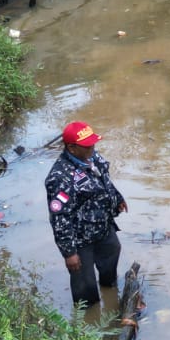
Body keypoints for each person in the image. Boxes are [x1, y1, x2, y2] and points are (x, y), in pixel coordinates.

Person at [45, 120, 128, 307]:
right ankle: (88, 324)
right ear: (72, 148)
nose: (92, 147)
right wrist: (69, 253)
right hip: (80, 239)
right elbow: (59, 218)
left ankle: (111, 296)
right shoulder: (60, 177)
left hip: (103, 228)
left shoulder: (91, 157)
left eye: (92, 143)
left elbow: (105, 180)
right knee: (85, 290)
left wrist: (117, 197)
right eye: (87, 145)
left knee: (112, 256)